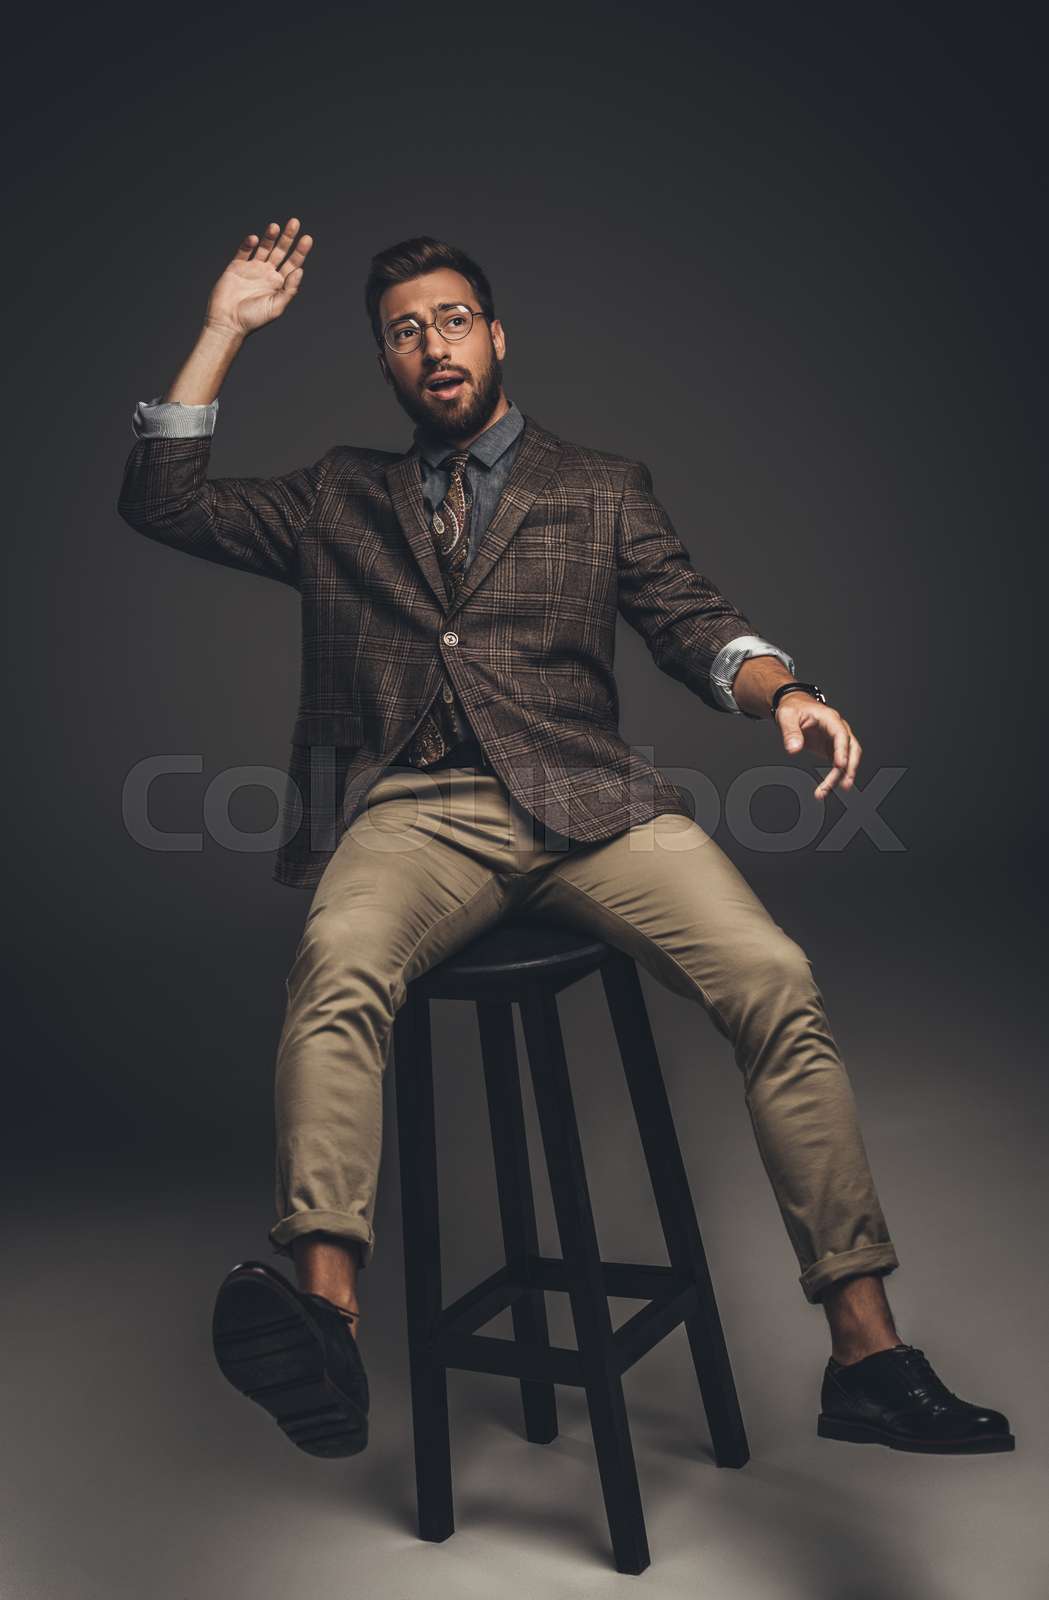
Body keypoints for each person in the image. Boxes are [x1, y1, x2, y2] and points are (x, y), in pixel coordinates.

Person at [118, 219, 1013, 1462]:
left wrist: (784, 691)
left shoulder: (598, 486)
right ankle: (323, 1323)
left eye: (450, 320)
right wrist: (224, 327)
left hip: (593, 807)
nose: (431, 344)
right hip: (414, 813)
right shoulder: (336, 496)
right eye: (403, 331)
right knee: (334, 969)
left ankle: (865, 1355)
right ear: (386, 364)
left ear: (495, 336)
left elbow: (692, 621)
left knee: (773, 979)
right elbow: (160, 500)